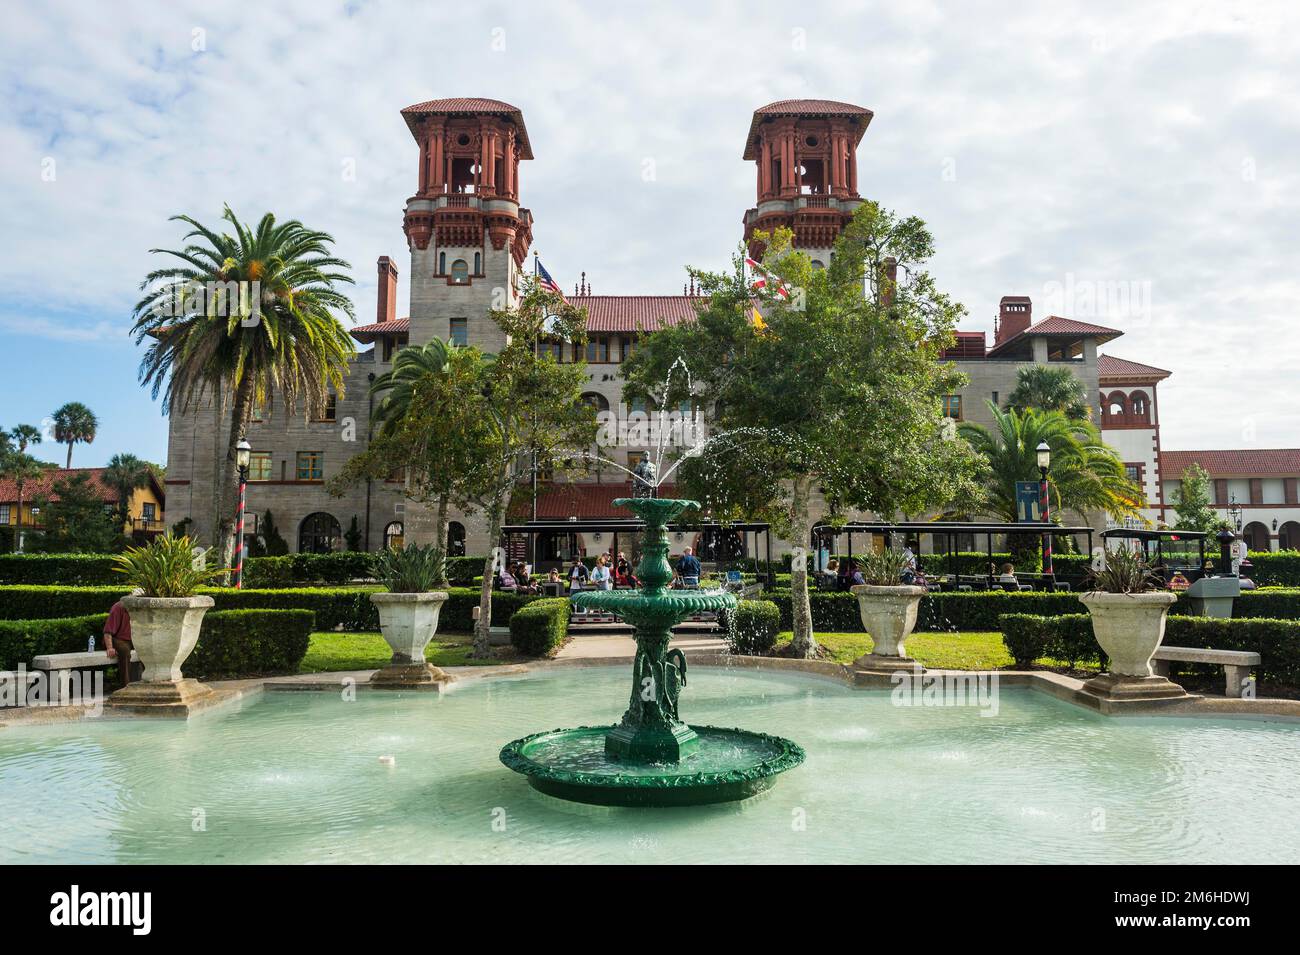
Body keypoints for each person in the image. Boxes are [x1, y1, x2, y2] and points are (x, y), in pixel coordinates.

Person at [103, 590, 140, 690]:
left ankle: (144, 684)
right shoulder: (118, 608)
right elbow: (108, 632)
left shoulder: (138, 609)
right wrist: (110, 648)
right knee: (124, 651)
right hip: (117, 638)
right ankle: (125, 686)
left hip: (133, 639)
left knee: (147, 649)